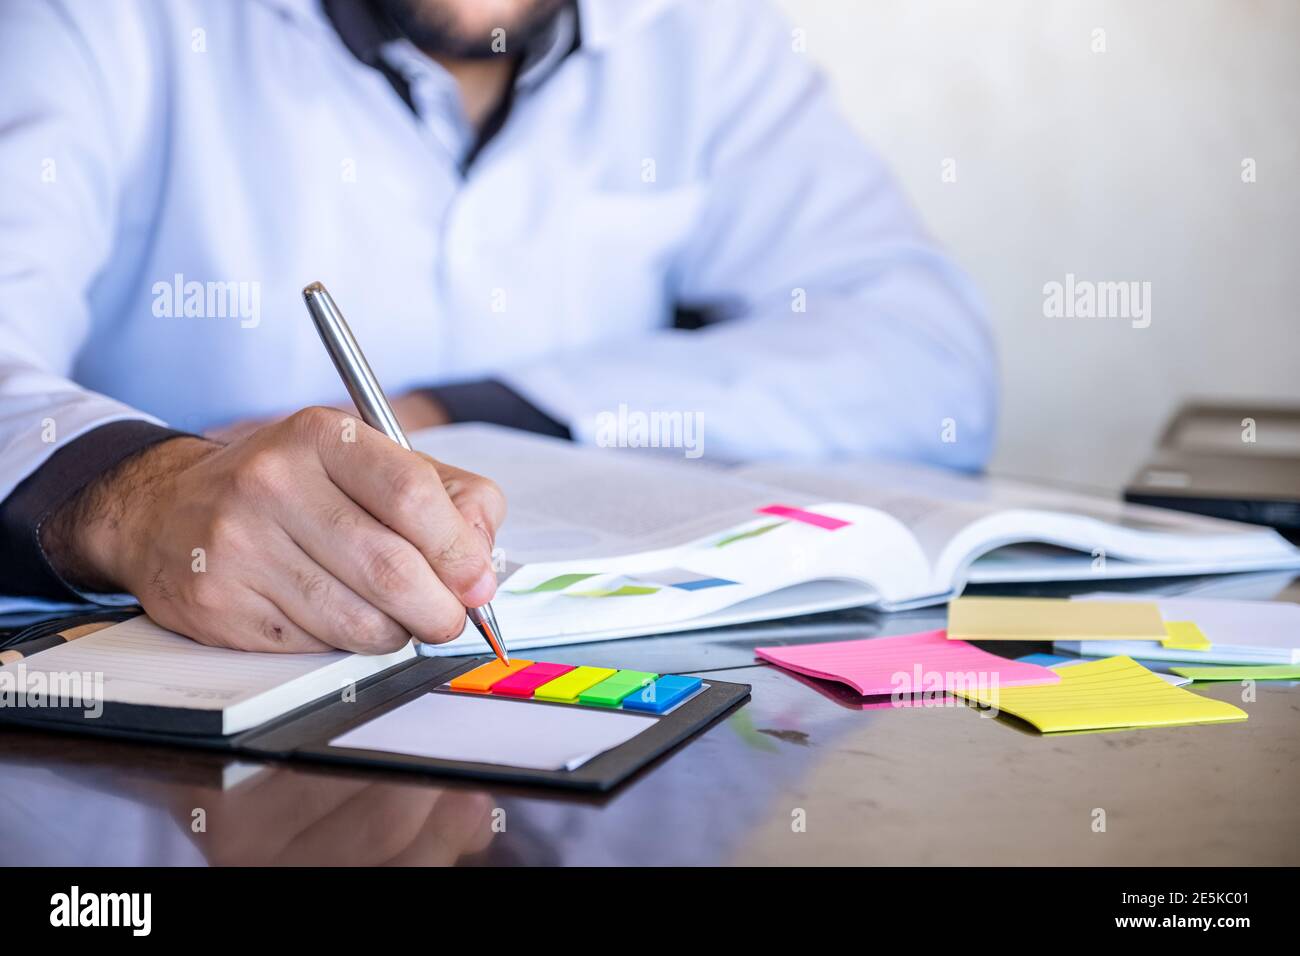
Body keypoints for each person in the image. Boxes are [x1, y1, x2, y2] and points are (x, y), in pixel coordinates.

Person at [0, 0, 997, 653]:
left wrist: (467, 417)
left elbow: (927, 358)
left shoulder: (700, 31)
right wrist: (139, 499)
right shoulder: (94, 21)